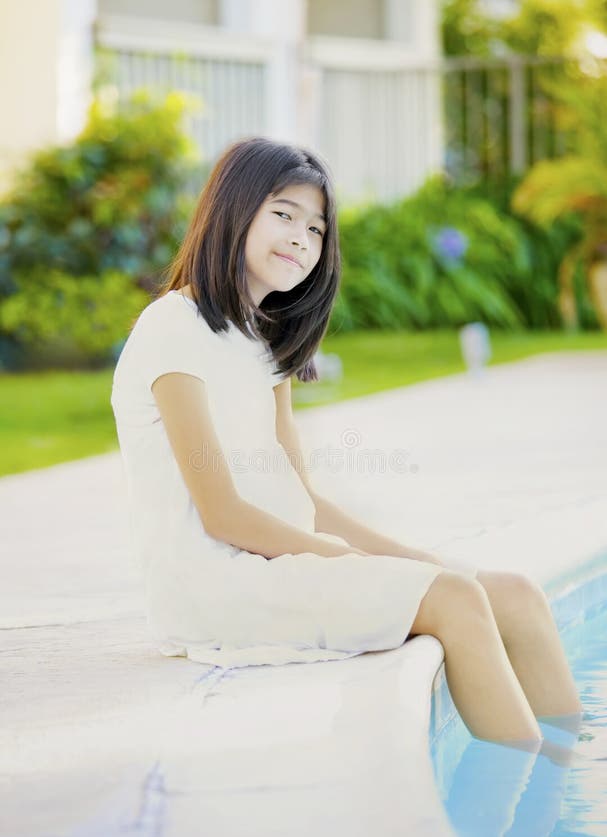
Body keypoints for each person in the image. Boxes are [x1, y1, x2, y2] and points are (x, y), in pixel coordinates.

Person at [110, 136, 583, 752]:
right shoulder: (174, 326)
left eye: (317, 229)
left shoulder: (263, 342)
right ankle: (534, 794)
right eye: (283, 214)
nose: (301, 238)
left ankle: (570, 775)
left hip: (279, 564)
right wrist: (355, 565)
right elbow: (222, 514)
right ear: (232, 210)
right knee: (457, 600)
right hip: (218, 586)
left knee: (513, 592)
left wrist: (410, 556)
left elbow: (302, 500)